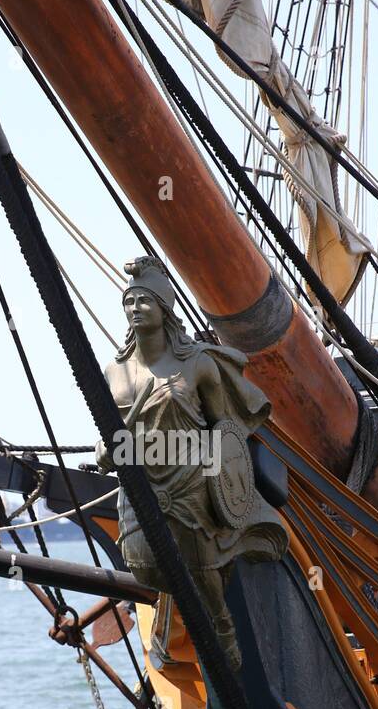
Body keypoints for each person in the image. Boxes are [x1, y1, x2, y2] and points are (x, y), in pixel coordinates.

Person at [97, 255, 287, 668]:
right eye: (129, 302)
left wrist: (225, 482)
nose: (135, 308)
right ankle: (175, 622)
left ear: (164, 309)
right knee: (145, 564)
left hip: (190, 480)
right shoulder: (113, 370)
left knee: (204, 571)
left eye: (144, 301)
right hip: (140, 482)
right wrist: (104, 449)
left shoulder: (198, 363)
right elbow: (108, 434)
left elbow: (225, 430)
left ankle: (223, 632)